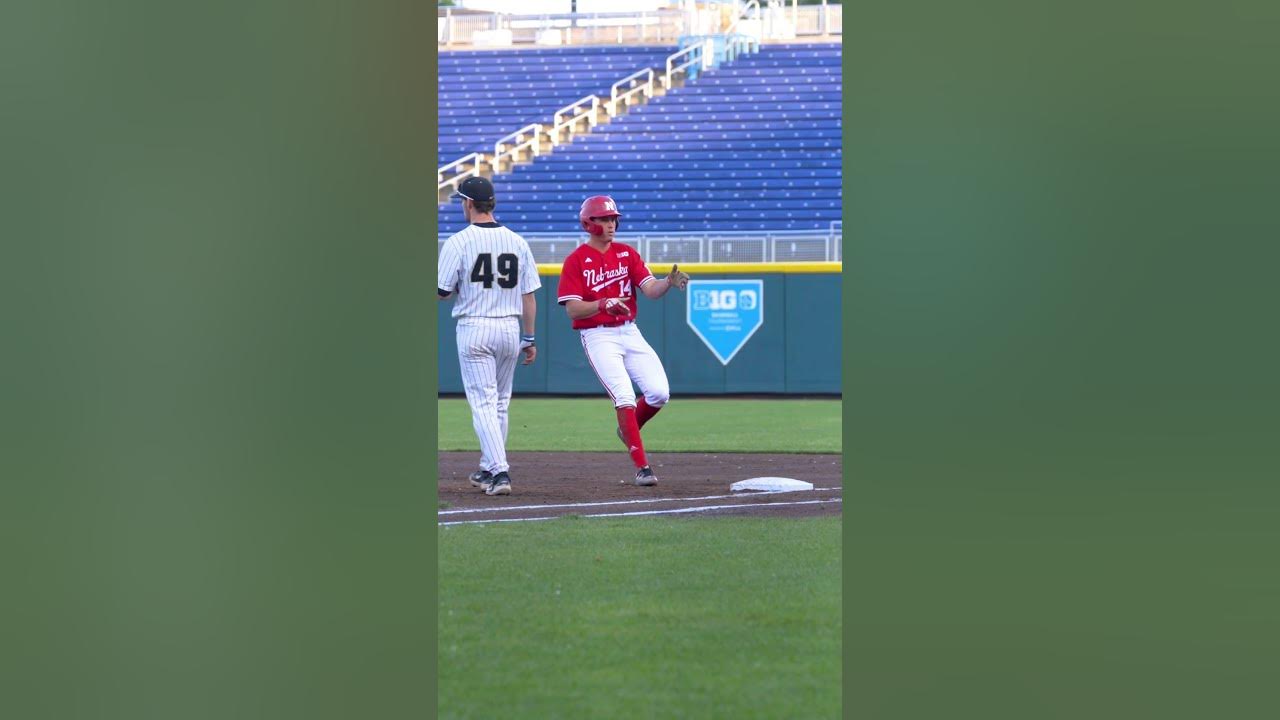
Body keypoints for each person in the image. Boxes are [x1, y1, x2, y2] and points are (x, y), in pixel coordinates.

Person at [556, 195, 689, 486]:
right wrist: (602, 304)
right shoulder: (576, 260)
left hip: (629, 330)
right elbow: (572, 309)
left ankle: (627, 430)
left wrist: (667, 282)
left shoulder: (627, 254)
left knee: (658, 393)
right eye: (604, 219)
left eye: (613, 218)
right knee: (625, 396)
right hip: (598, 335)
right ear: (589, 224)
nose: (611, 224)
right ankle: (643, 468)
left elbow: (650, 289)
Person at [437, 176, 540, 496]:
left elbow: (441, 292)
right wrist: (530, 337)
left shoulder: (458, 241)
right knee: (499, 404)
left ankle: (500, 472)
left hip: (475, 326)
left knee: (483, 404)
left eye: (462, 202)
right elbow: (529, 295)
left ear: (469, 203)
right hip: (510, 328)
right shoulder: (517, 241)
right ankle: (487, 467)